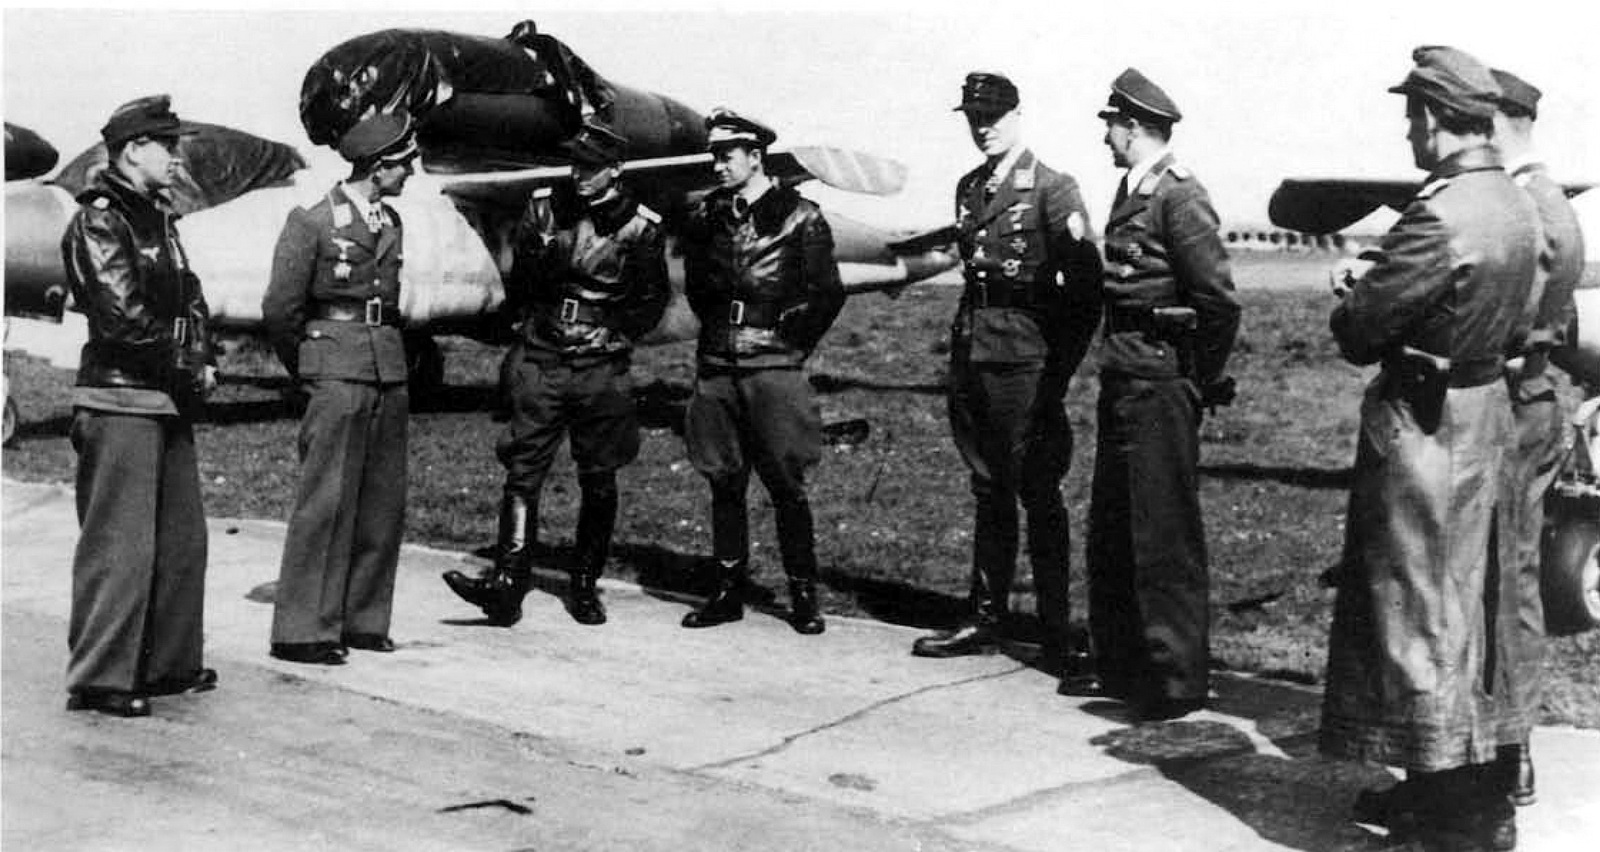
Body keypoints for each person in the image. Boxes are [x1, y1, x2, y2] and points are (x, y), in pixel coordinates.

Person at [1320, 46, 1541, 852]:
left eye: (1411, 113)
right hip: (1486, 416)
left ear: (1434, 117)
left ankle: (1443, 809)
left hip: (1426, 428)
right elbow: (1519, 324)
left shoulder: (1439, 213)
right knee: (1477, 612)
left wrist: (1354, 287)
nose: (1407, 129)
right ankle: (1481, 793)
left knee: (1417, 614)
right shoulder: (1511, 204)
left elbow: (1360, 332)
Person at [910, 72, 1102, 667]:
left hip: (1026, 361)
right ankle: (985, 619)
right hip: (974, 352)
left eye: (992, 115)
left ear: (1017, 116)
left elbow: (1086, 289)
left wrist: (1057, 371)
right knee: (988, 488)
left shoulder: (1052, 188)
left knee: (1038, 491)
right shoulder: (969, 188)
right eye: (973, 116)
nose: (983, 126)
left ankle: (1054, 631)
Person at [442, 123, 669, 626]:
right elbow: (523, 277)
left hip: (599, 366)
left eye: (591, 168)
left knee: (598, 474)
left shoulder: (640, 227)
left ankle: (584, 586)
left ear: (615, 170)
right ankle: (507, 584)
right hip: (544, 356)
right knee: (523, 469)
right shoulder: (543, 206)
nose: (580, 175)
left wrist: (610, 336)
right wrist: (533, 329)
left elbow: (651, 302)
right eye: (576, 165)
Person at [1072, 68, 1239, 721]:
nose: (1106, 136)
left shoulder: (1178, 196)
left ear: (1135, 126)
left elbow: (1219, 302)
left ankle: (1175, 678)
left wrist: (1196, 379)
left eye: (1111, 125)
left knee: (1162, 530)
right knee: (1115, 526)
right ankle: (1121, 665)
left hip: (1162, 382)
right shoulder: (1132, 188)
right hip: (1126, 374)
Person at [59, 95, 219, 718]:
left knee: (183, 538)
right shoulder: (101, 220)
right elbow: (123, 319)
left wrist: (203, 347)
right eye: (167, 147)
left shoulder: (159, 221)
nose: (177, 159)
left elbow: (192, 296)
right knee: (121, 544)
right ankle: (101, 676)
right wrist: (189, 360)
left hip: (163, 396)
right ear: (133, 151)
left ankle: (166, 663)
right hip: (121, 394)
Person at [676, 107, 845, 635]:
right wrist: (720, 335)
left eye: (727, 156)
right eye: (715, 156)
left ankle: (802, 594)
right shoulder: (708, 216)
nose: (719, 166)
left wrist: (788, 345)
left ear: (756, 156)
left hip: (773, 363)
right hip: (719, 363)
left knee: (785, 483)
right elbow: (700, 286)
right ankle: (727, 590)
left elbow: (827, 294)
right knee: (723, 479)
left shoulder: (801, 216)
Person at [262, 112, 419, 665]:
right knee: (326, 500)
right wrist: (311, 368)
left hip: (386, 369)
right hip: (336, 369)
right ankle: (304, 629)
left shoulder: (390, 221)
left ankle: (363, 618)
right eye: (404, 164)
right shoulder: (312, 222)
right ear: (378, 168)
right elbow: (281, 309)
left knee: (381, 502)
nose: (411, 173)